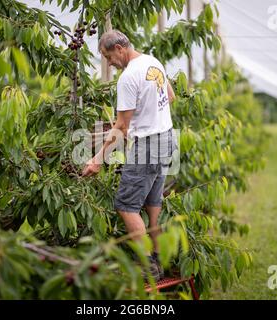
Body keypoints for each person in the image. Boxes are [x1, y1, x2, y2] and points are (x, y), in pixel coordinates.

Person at [81, 30, 177, 282]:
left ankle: (147, 266)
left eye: (107, 56)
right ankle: (157, 260)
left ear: (120, 48)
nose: (108, 62)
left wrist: (97, 159)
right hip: (166, 139)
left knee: (125, 205)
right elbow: (170, 96)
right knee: (153, 203)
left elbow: (121, 127)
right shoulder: (153, 62)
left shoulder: (128, 77)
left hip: (147, 145)